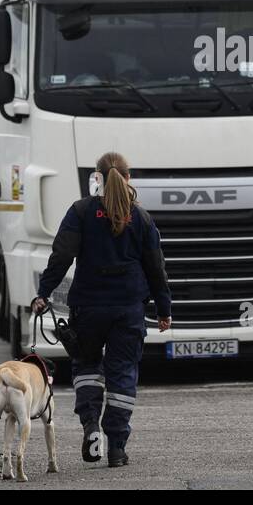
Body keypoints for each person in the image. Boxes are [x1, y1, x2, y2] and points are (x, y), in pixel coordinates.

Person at [32, 152, 171, 468]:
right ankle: (117, 447)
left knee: (87, 366)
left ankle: (91, 426)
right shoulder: (142, 218)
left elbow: (61, 257)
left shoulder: (81, 212)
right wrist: (164, 310)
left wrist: (43, 293)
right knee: (122, 373)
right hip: (128, 309)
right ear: (128, 177)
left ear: (97, 177)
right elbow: (156, 269)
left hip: (89, 307)